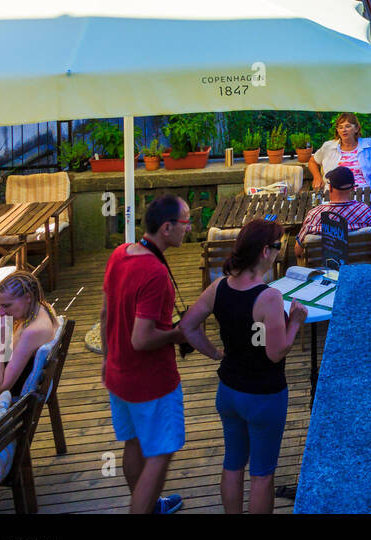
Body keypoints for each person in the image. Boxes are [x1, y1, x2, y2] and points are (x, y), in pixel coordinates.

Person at [180, 219, 306, 514]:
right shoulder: (269, 297)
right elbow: (275, 353)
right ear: (264, 251)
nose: (280, 251)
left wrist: (214, 353)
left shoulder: (219, 287)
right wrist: (295, 322)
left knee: (233, 464)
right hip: (263, 395)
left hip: (228, 391)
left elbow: (187, 326)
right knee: (262, 474)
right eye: (278, 246)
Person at [100, 194, 190, 514]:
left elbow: (105, 313)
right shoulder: (155, 273)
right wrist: (178, 334)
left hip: (118, 375)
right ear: (166, 227)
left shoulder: (120, 254)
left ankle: (149, 506)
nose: (189, 228)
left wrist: (106, 359)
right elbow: (142, 339)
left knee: (134, 442)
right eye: (185, 221)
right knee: (161, 454)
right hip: (151, 382)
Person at [0, 271, 58, 395]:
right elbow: (17, 350)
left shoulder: (32, 332)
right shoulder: (44, 308)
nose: (1, 313)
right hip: (9, 372)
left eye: (6, 305)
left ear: (28, 297)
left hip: (11, 392)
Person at [296, 165, 371, 263]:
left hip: (324, 270)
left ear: (330, 187)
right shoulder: (365, 212)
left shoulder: (314, 215)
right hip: (359, 268)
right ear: (352, 188)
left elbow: (298, 251)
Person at [307, 112, 371, 199]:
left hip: (363, 194)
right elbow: (312, 161)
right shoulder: (328, 147)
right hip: (334, 194)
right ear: (337, 130)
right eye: (340, 127)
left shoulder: (368, 145)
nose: (344, 130)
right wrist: (317, 177)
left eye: (348, 126)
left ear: (356, 128)